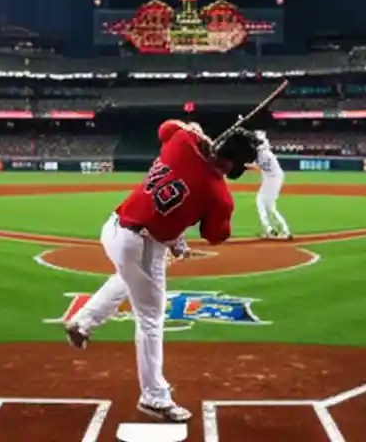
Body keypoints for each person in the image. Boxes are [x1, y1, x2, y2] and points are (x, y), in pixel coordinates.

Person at [64, 119, 258, 423]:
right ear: (235, 164)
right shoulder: (220, 195)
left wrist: (196, 133)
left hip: (118, 228)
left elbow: (168, 127)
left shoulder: (182, 142)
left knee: (131, 279)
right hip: (138, 243)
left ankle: (83, 322)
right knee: (151, 319)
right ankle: (154, 397)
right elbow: (216, 234)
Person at [251, 131, 291, 239]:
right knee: (270, 206)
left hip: (272, 179)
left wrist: (244, 165)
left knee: (261, 201)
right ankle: (283, 229)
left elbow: (256, 165)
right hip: (274, 178)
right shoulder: (265, 152)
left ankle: (270, 229)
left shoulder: (262, 154)